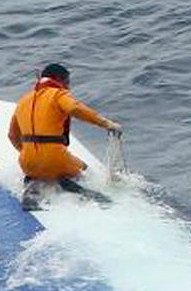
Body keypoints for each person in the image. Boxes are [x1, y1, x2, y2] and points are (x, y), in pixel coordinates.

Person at [7, 63, 122, 205]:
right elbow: (74, 108)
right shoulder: (58, 94)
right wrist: (106, 123)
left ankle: (34, 183)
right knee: (85, 170)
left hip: (26, 163)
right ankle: (69, 184)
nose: (68, 87)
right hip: (55, 159)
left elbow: (12, 135)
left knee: (40, 170)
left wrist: (29, 153)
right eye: (67, 83)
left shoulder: (23, 101)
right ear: (59, 80)